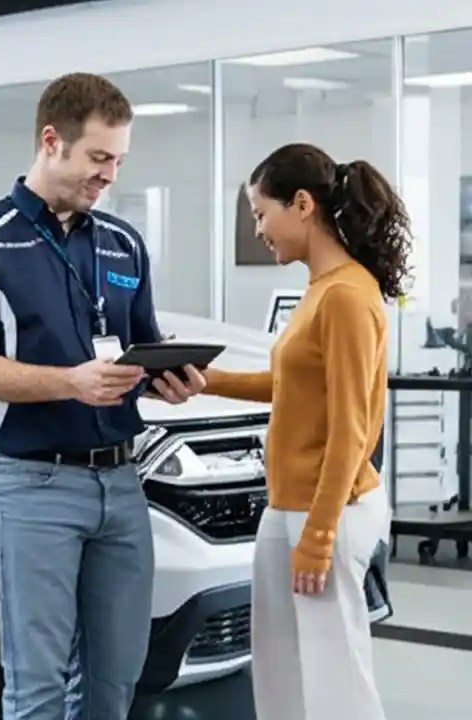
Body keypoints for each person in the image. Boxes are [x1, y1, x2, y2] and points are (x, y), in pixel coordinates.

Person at [0, 72, 207, 720]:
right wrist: (69, 382)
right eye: (99, 157)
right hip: (32, 486)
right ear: (51, 142)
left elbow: (139, 347)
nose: (110, 175)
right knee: (38, 686)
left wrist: (169, 378)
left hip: (122, 485)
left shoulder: (123, 242)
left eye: (119, 160)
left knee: (114, 684)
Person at [203, 143, 410, 720]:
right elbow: (290, 384)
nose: (258, 229)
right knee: (281, 675)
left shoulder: (345, 295)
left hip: (328, 511)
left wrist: (318, 536)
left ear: (301, 205)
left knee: (333, 683)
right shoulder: (320, 289)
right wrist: (205, 381)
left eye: (260, 213)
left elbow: (351, 429)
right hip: (287, 504)